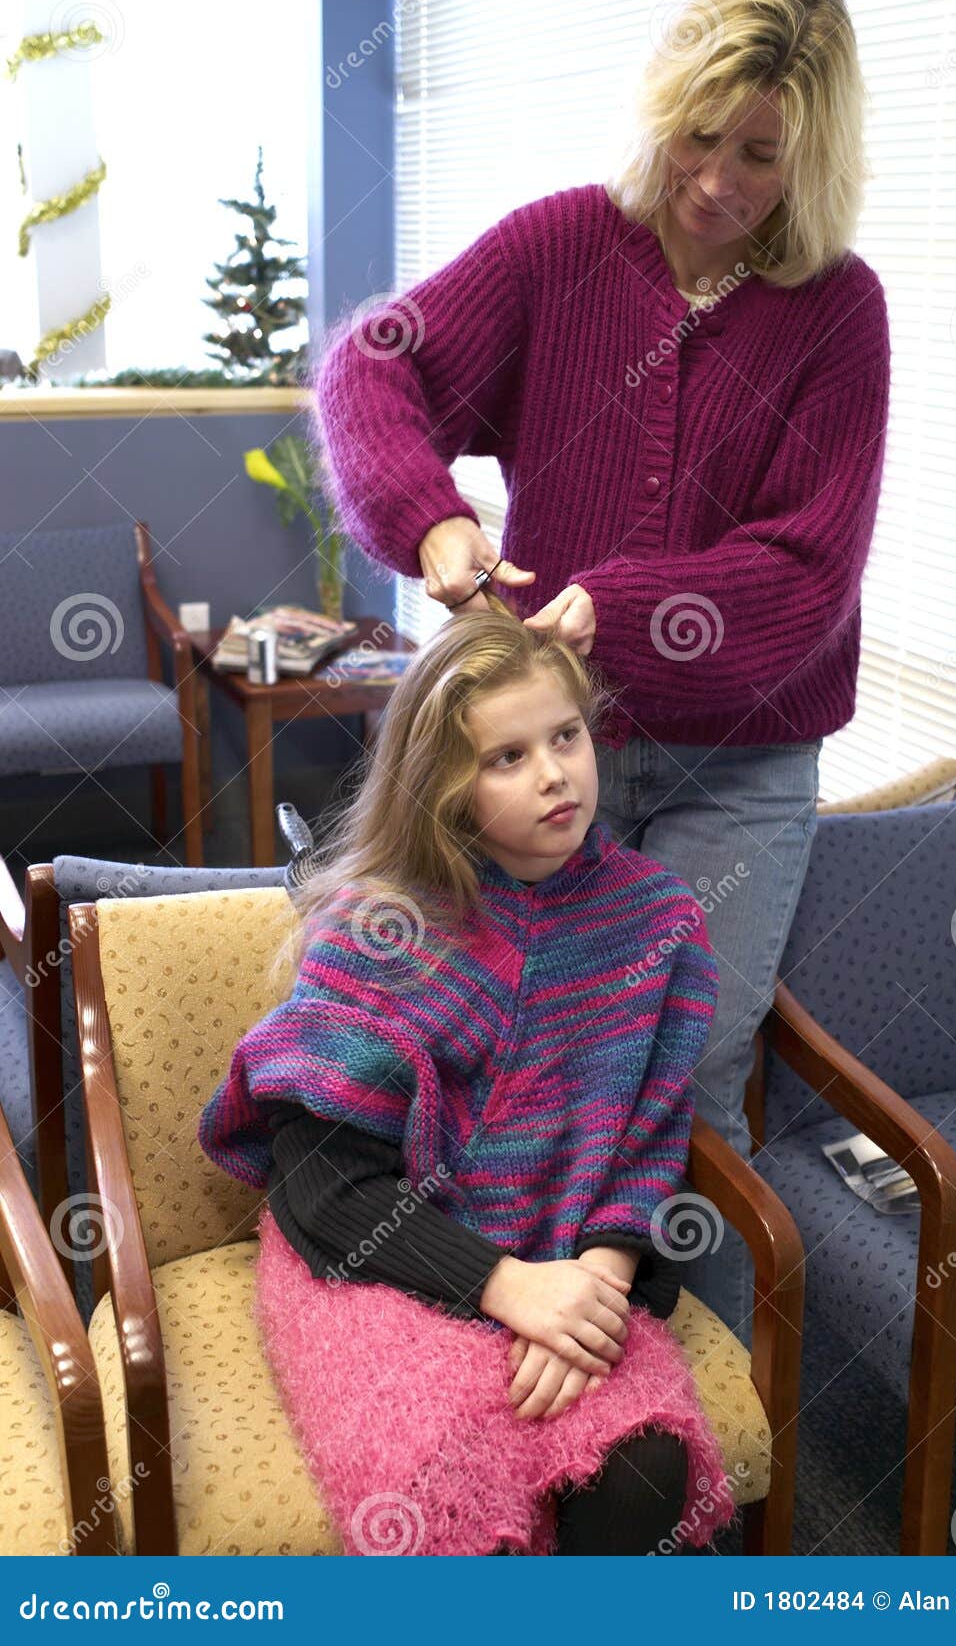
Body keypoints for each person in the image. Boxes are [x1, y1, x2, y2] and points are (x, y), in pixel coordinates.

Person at [312, 0, 891, 1342]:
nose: (719, 179)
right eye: (702, 134)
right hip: (530, 743)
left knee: (679, 1080)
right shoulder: (564, 248)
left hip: (732, 770)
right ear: (662, 113)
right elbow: (370, 369)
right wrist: (435, 524)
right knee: (485, 1046)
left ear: (814, 155)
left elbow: (807, 572)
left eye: (762, 154)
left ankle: (695, 1422)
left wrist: (609, 613)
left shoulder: (839, 313)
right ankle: (493, 1349)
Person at [198, 601, 734, 1557]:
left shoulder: (659, 921)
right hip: (379, 1263)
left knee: (645, 1468)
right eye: (507, 757)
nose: (556, 775)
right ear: (444, 786)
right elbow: (319, 1186)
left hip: (571, 1254)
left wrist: (592, 1290)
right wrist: (505, 1287)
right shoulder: (384, 926)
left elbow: (650, 1141)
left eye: (565, 736)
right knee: (447, 1483)